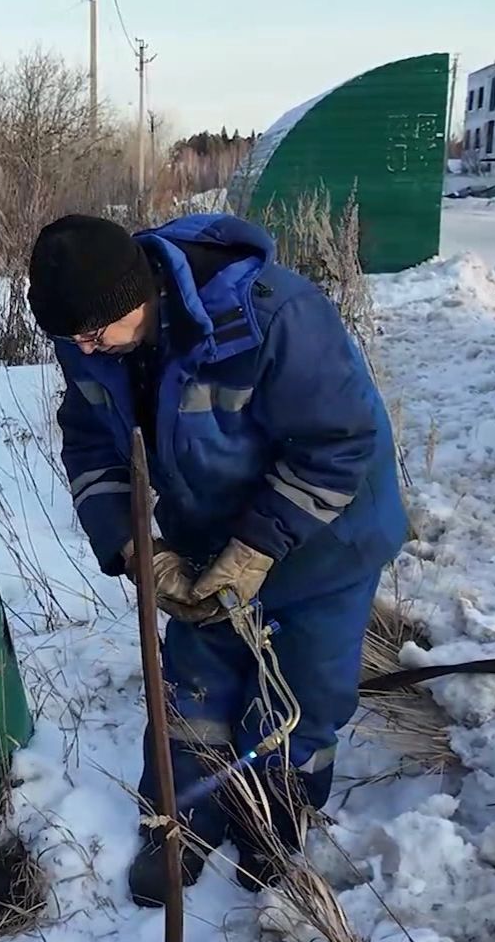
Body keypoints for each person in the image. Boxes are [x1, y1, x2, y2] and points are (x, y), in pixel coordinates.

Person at [26, 212, 407, 906]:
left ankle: (273, 818)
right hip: (204, 537)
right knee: (193, 691)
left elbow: (338, 445)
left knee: (302, 696)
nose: (81, 348)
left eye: (91, 333)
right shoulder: (88, 338)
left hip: (327, 538)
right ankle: (178, 822)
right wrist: (134, 546)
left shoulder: (275, 317)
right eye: (69, 338)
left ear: (134, 297)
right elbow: (89, 445)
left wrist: (257, 548)